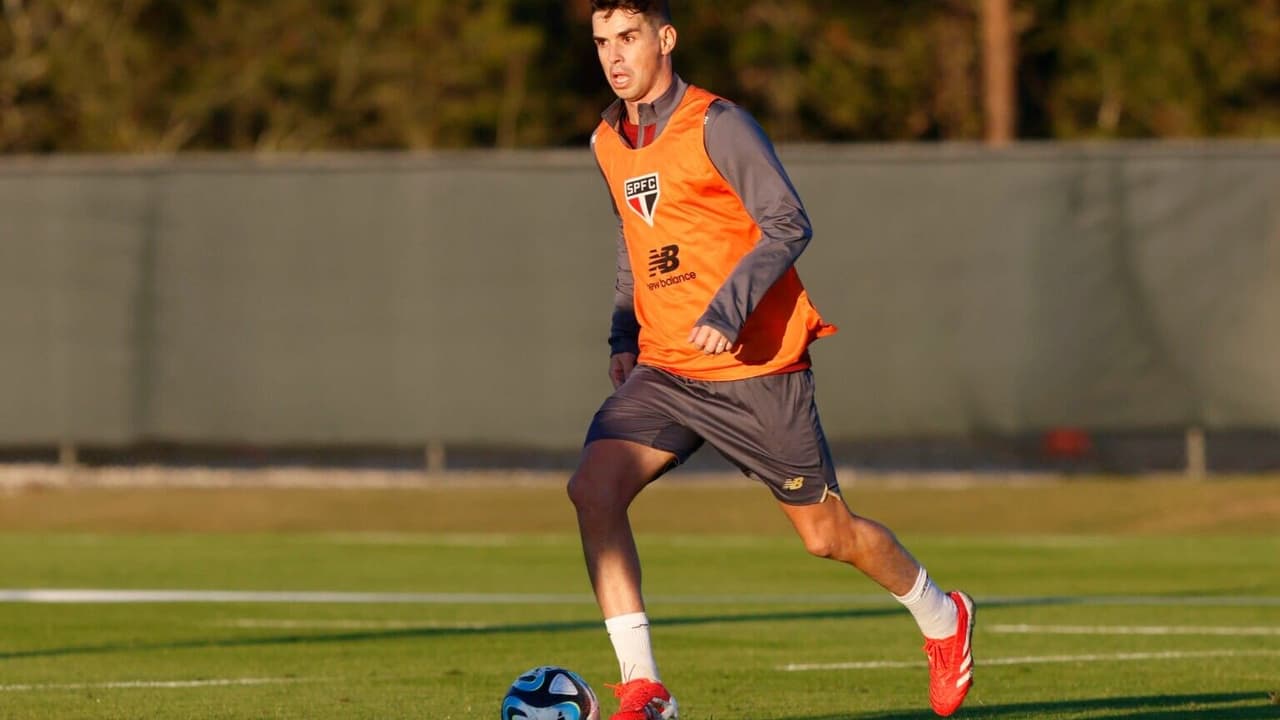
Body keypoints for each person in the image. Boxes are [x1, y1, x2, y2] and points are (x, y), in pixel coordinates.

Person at [567, 1, 975, 718]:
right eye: (602, 42)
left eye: (628, 38)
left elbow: (789, 222)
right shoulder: (606, 139)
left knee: (829, 537)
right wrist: (621, 339)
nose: (614, 56)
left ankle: (943, 616)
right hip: (666, 369)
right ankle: (643, 686)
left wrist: (728, 309)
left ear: (665, 39)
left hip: (756, 370)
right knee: (593, 491)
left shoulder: (719, 124)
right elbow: (634, 245)